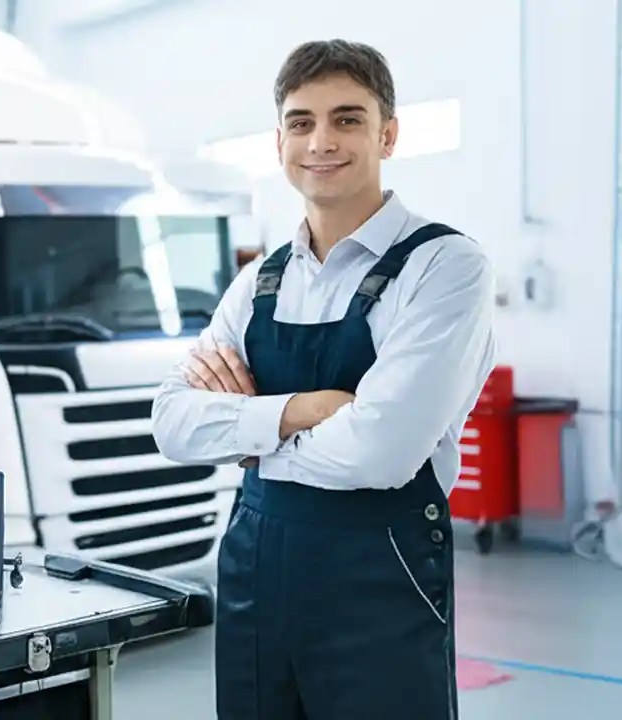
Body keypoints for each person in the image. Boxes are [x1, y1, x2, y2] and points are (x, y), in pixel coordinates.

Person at [151, 39, 496, 719]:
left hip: (381, 573)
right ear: (279, 141)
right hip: (255, 572)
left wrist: (251, 434)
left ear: (387, 135)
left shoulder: (444, 266)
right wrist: (305, 410)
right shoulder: (259, 280)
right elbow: (172, 424)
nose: (321, 142)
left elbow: (382, 453)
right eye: (301, 122)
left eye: (347, 119)